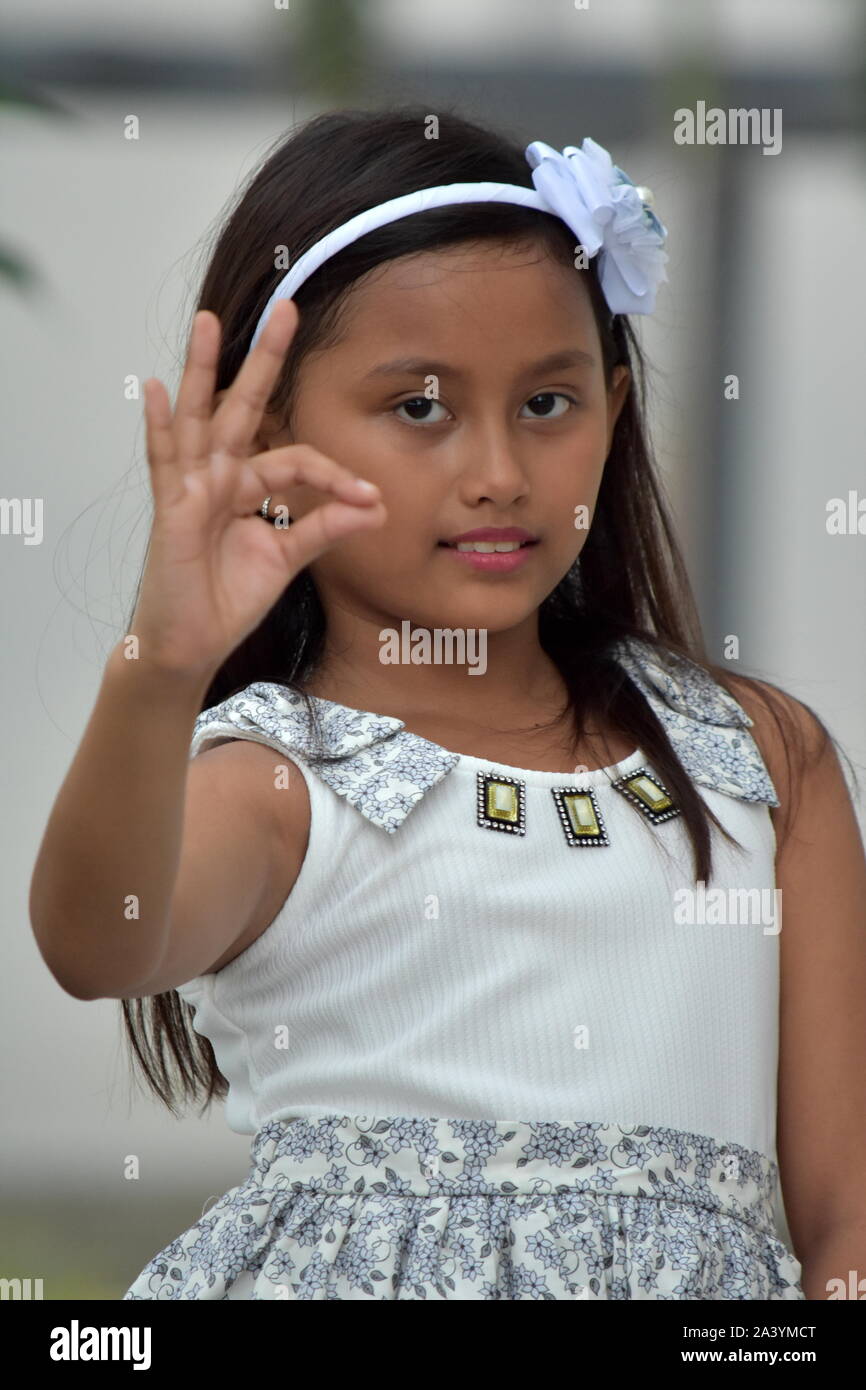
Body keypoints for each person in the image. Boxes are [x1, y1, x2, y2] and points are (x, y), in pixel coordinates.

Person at [28, 105, 866, 1301]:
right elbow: (94, 943)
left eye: (546, 403)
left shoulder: (761, 763)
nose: (496, 473)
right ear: (271, 436)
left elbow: (847, 1217)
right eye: (417, 407)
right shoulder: (276, 783)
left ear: (614, 412)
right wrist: (158, 668)